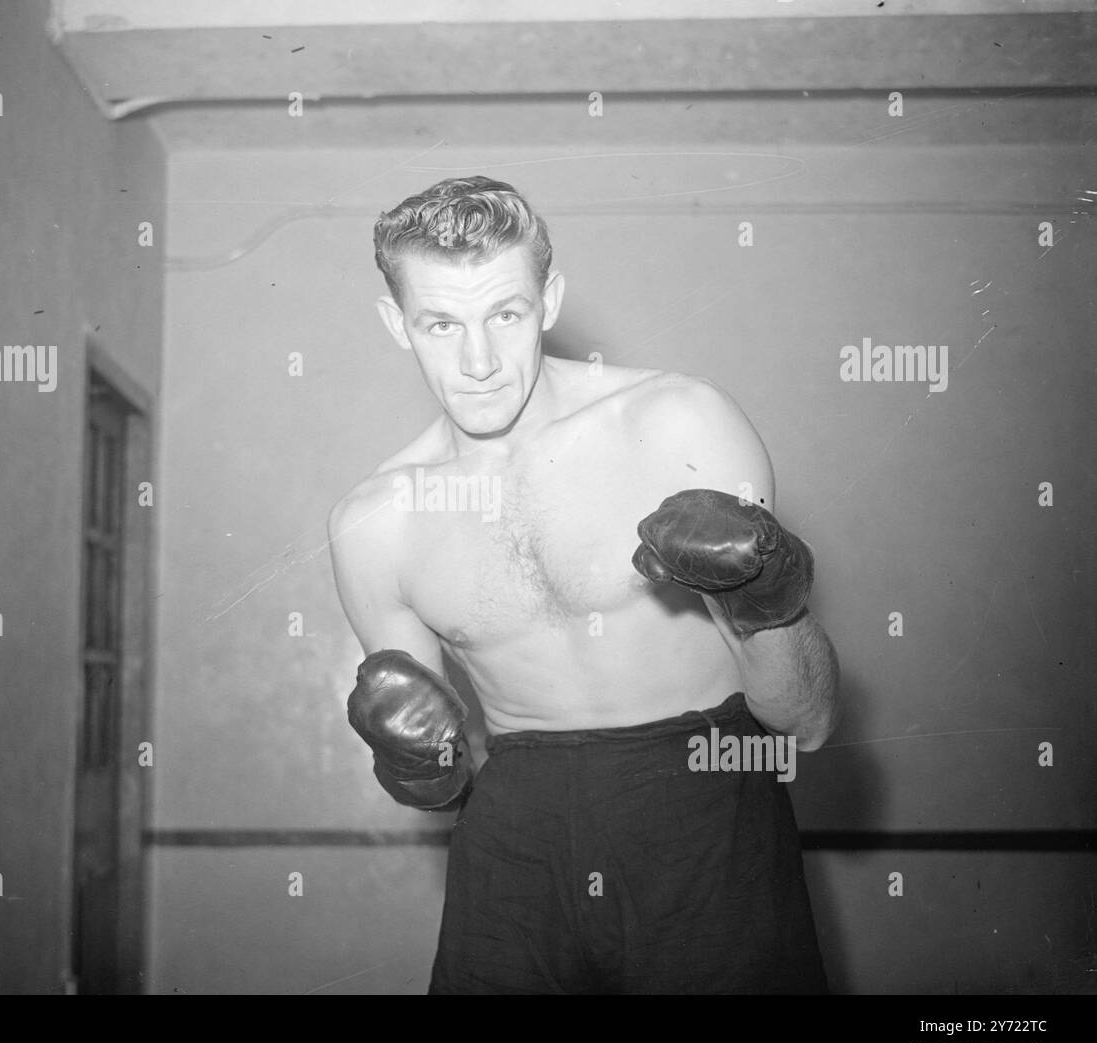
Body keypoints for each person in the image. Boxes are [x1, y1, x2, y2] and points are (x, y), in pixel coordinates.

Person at [329, 176, 841, 994]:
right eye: (440, 324)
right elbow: (443, 780)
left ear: (550, 298)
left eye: (506, 313)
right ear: (397, 325)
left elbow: (805, 723)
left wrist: (765, 591)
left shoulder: (678, 422)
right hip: (514, 836)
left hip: (704, 799)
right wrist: (417, 765)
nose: (480, 361)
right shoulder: (374, 524)